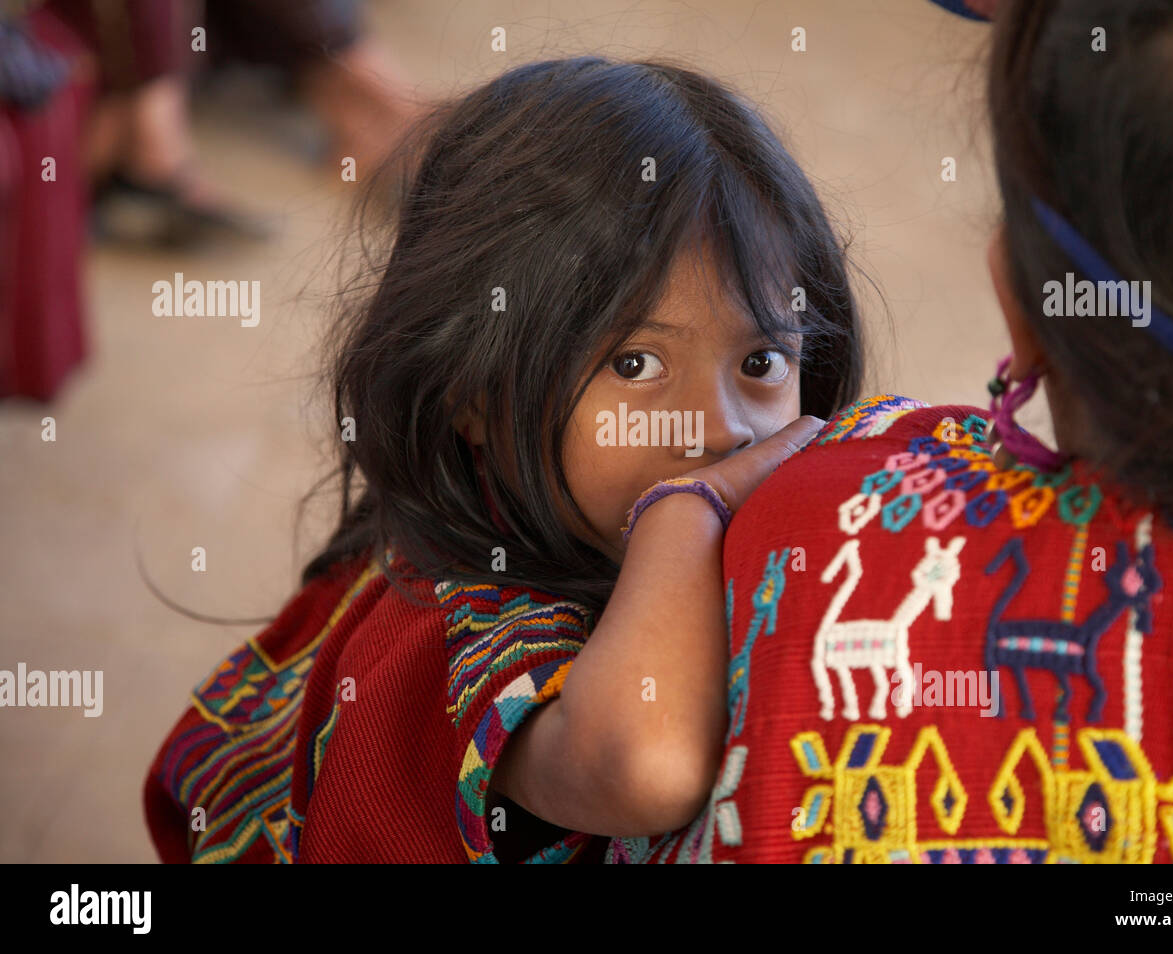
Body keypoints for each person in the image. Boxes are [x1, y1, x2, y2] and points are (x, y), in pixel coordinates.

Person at [608, 0, 1173, 864]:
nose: (719, 431)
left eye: (760, 361)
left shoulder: (822, 514)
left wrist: (686, 511)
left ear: (1021, 305)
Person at [142, 56, 866, 863]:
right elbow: (641, 767)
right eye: (635, 364)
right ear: (475, 397)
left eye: (762, 362)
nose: (720, 429)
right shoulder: (469, 633)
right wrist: (686, 514)